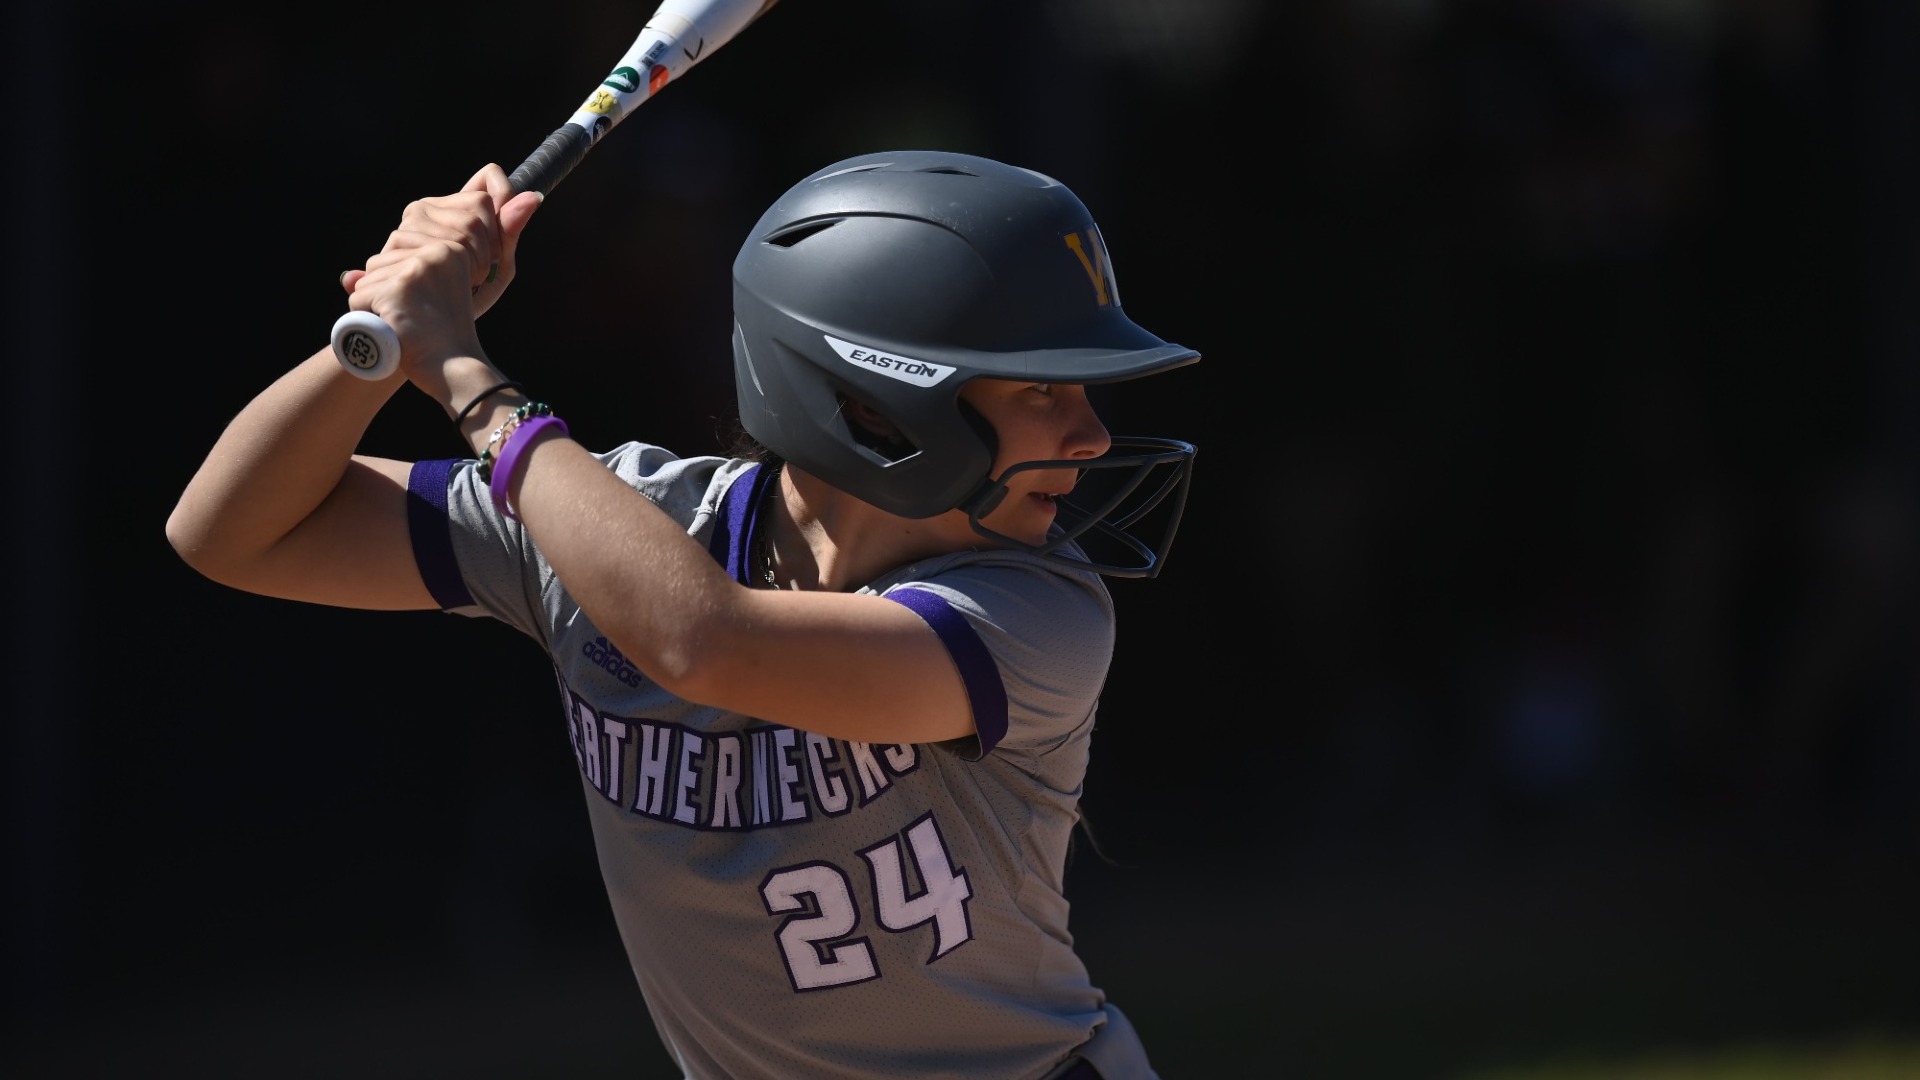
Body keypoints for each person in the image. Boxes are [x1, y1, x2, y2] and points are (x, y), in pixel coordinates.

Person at [166, 149, 1200, 1080]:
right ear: (877, 403)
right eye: (1040, 394)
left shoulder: (1042, 611)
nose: (1094, 436)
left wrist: (470, 380)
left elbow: (705, 642)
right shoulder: (620, 524)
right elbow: (229, 534)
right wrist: (386, 343)